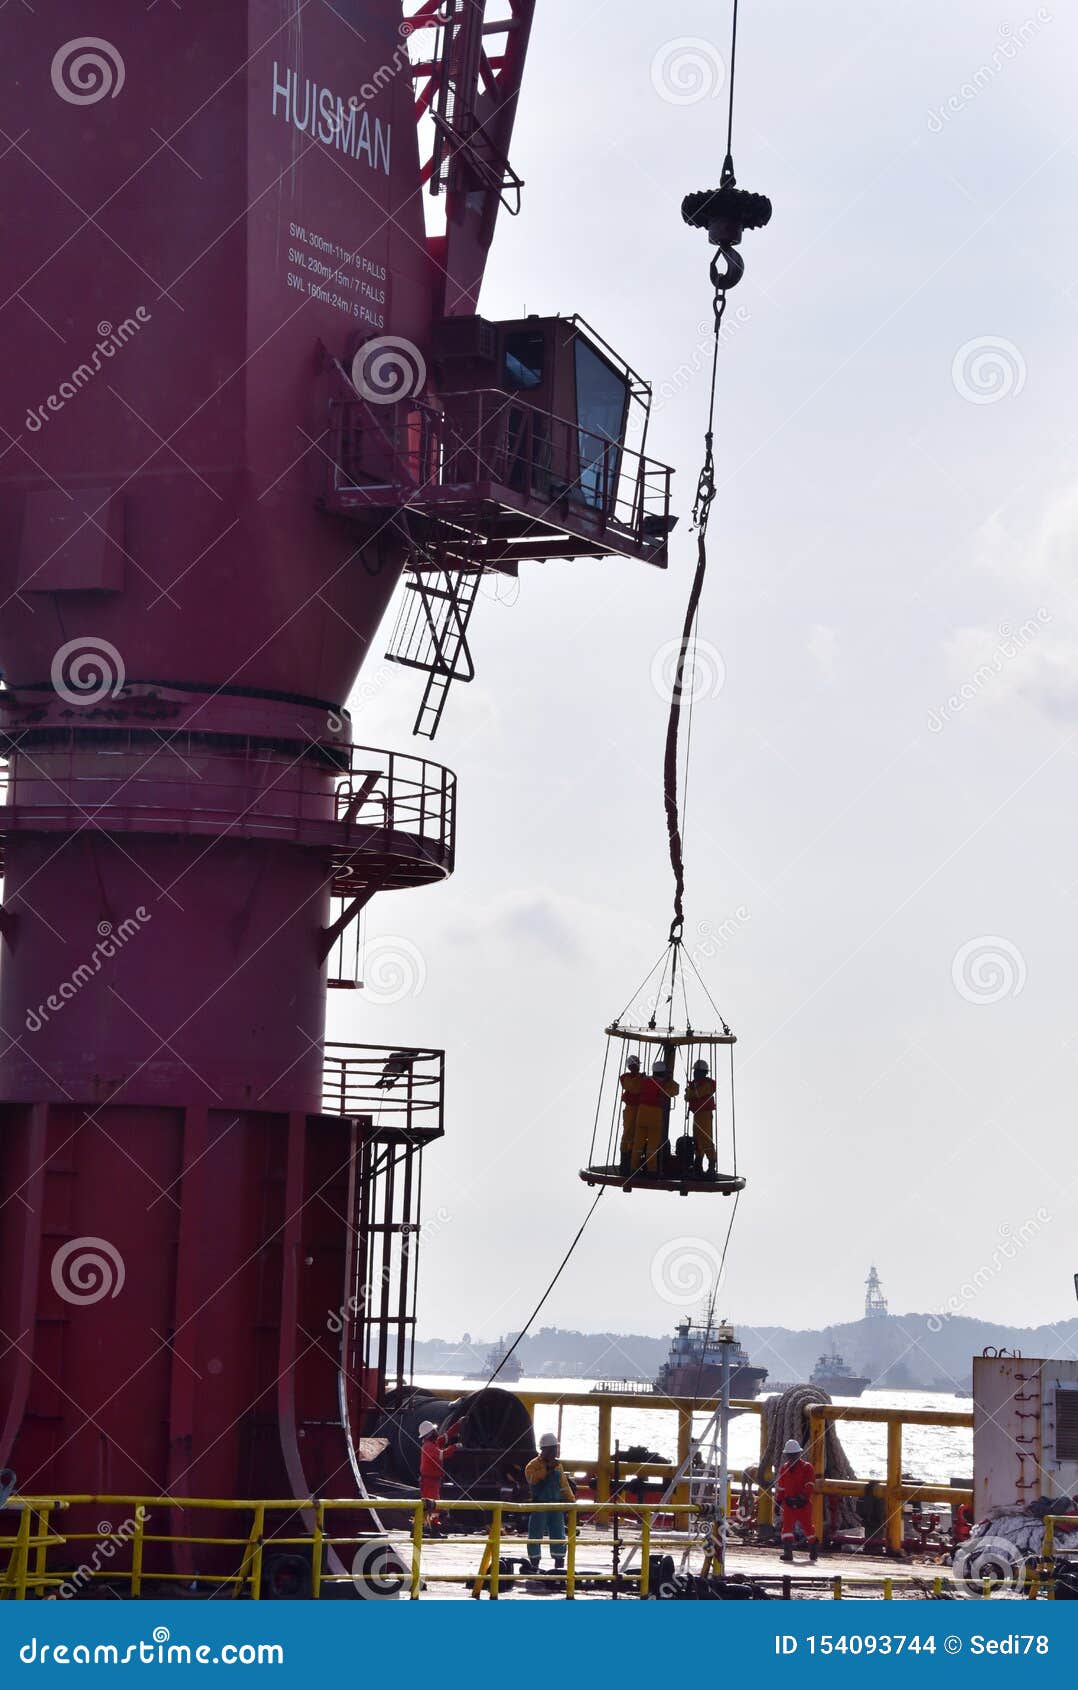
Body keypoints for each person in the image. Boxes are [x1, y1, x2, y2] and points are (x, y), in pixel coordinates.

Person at [524, 1431, 576, 1574]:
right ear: (544, 1449)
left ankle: (559, 1567)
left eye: (555, 1448)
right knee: (535, 1535)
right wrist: (547, 1469)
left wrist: (571, 1501)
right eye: (552, 1449)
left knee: (559, 1535)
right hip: (540, 1505)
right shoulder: (532, 1465)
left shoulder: (558, 1466)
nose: (555, 1452)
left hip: (556, 1506)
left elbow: (564, 1485)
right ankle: (534, 1566)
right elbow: (532, 1480)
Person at [632, 1057, 679, 1177]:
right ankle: (652, 1170)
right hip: (655, 1115)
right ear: (664, 1072)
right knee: (652, 1145)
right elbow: (674, 1091)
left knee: (638, 1143)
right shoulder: (663, 1085)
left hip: (641, 1114)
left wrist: (640, 1077)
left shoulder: (645, 1081)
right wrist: (669, 1079)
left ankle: (633, 1168)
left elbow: (635, 1088)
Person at [775, 1437, 818, 1562]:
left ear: (799, 1454)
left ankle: (813, 1552)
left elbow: (810, 1484)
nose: (792, 1457)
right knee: (786, 1529)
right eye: (790, 1455)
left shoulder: (807, 1468)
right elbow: (782, 1487)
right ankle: (788, 1553)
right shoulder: (784, 1468)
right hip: (788, 1504)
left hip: (803, 1504)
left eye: (794, 1455)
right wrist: (778, 1502)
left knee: (808, 1528)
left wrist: (802, 1497)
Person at [418, 1418, 459, 1530]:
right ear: (431, 1433)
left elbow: (447, 1435)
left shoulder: (433, 1443)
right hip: (429, 1481)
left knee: (430, 1505)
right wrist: (455, 1447)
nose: (437, 1433)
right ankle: (432, 1528)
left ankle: (423, 1528)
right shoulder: (429, 1446)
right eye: (435, 1431)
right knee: (432, 1505)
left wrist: (458, 1424)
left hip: (432, 1480)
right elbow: (441, 1455)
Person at [685, 1057, 717, 1177]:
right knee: (697, 1140)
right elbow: (691, 1095)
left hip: (704, 1114)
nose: (694, 1073)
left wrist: (690, 1093)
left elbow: (697, 1094)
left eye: (696, 1071)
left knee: (706, 1140)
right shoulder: (695, 1084)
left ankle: (711, 1167)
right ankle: (698, 1165)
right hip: (697, 1114)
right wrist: (690, 1093)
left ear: (702, 1073)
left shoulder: (707, 1084)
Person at [618, 1054, 643, 1175]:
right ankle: (625, 1162)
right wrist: (640, 1078)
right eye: (633, 1065)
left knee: (638, 1135)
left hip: (641, 1109)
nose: (635, 1067)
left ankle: (634, 1163)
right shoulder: (625, 1078)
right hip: (630, 1109)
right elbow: (633, 1088)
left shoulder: (642, 1078)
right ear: (629, 1066)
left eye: (636, 1065)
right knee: (628, 1134)